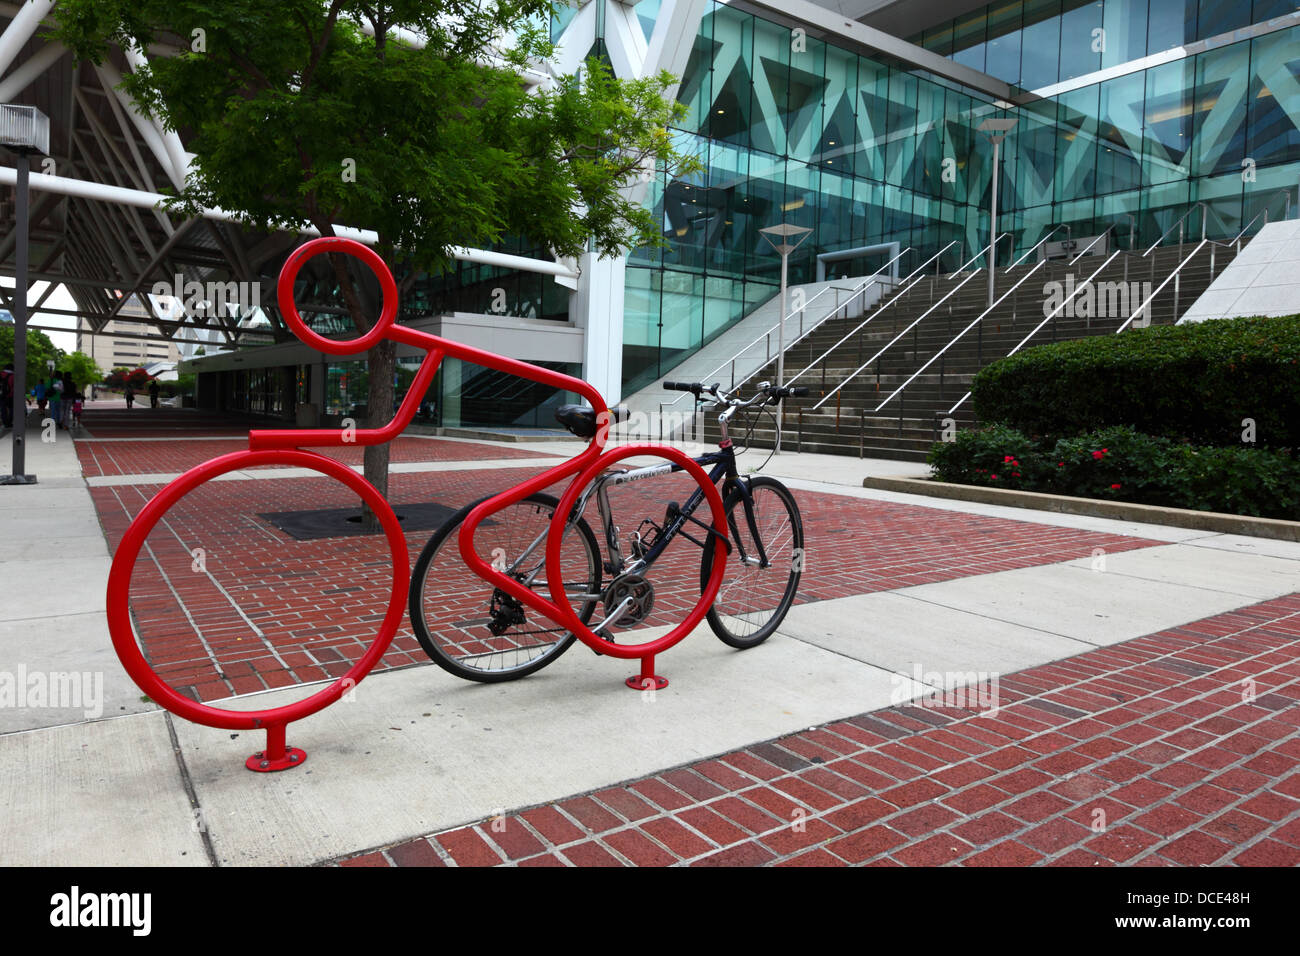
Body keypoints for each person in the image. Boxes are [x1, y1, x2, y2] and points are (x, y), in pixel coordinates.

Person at [0, 363, 13, 430]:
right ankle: (9, 422)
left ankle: (5, 423)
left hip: (2, 395)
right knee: (12, 409)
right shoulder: (13, 376)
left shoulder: (0, 374)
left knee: (3, 409)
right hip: (10, 395)